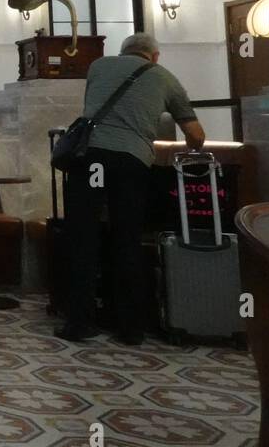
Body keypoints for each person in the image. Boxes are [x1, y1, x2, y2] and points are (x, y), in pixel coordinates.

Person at [57, 33, 205, 346]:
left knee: (83, 236)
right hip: (132, 162)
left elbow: (93, 108)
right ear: (154, 56)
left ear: (122, 52)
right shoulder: (166, 78)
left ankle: (79, 322)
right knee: (127, 238)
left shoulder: (99, 65)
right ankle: (130, 327)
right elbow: (195, 135)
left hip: (91, 160)